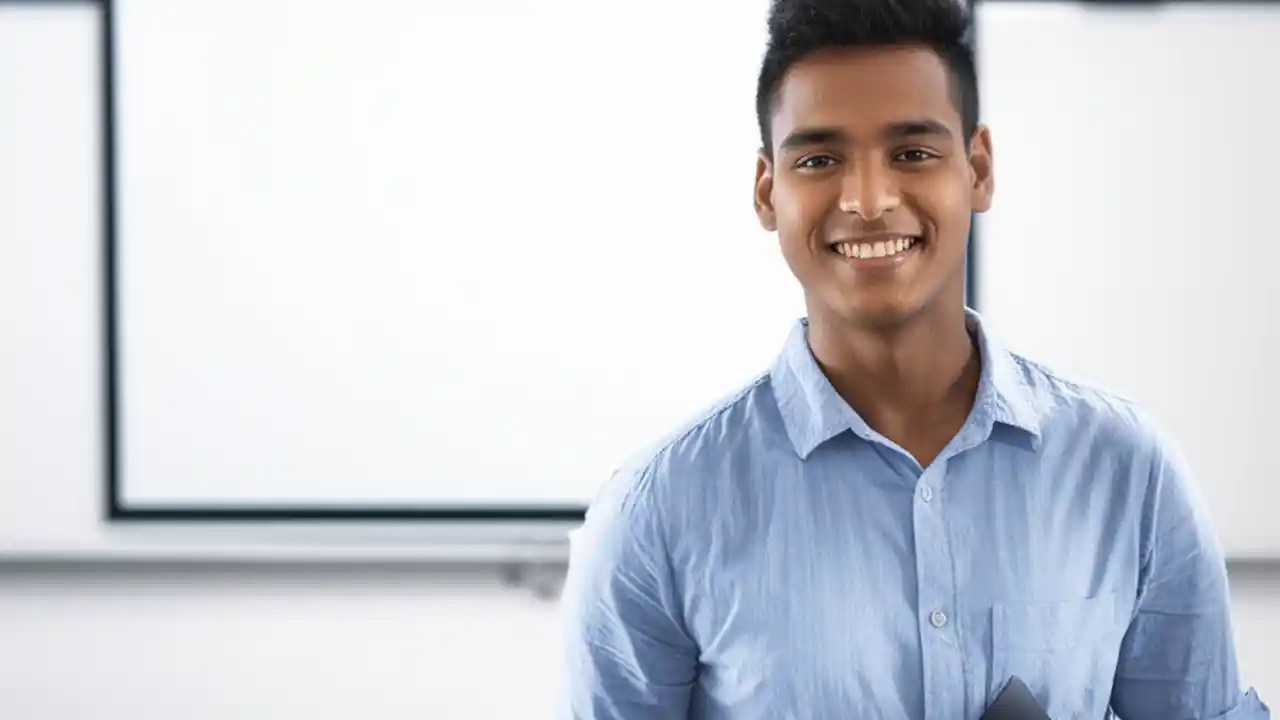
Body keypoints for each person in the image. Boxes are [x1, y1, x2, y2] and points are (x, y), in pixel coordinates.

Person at [559, 0, 1271, 717]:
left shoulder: (1127, 472)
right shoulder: (657, 514)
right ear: (768, 190)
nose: (869, 200)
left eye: (913, 154)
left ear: (979, 169)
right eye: (819, 159)